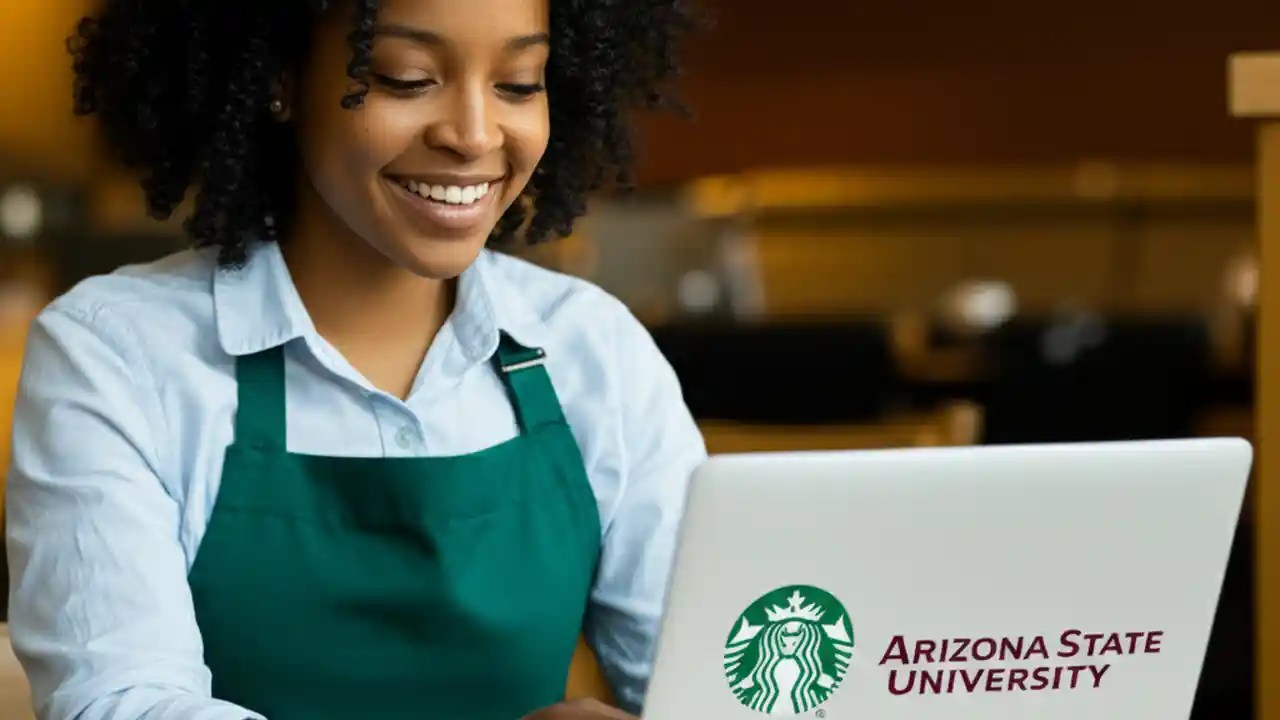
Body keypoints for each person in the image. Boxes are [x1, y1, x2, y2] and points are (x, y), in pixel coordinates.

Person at [5, 1, 704, 718]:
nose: (473, 134)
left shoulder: (596, 351)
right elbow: (121, 705)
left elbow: (728, 683)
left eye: (519, 83)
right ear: (280, 77)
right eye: (407, 78)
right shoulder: (117, 355)